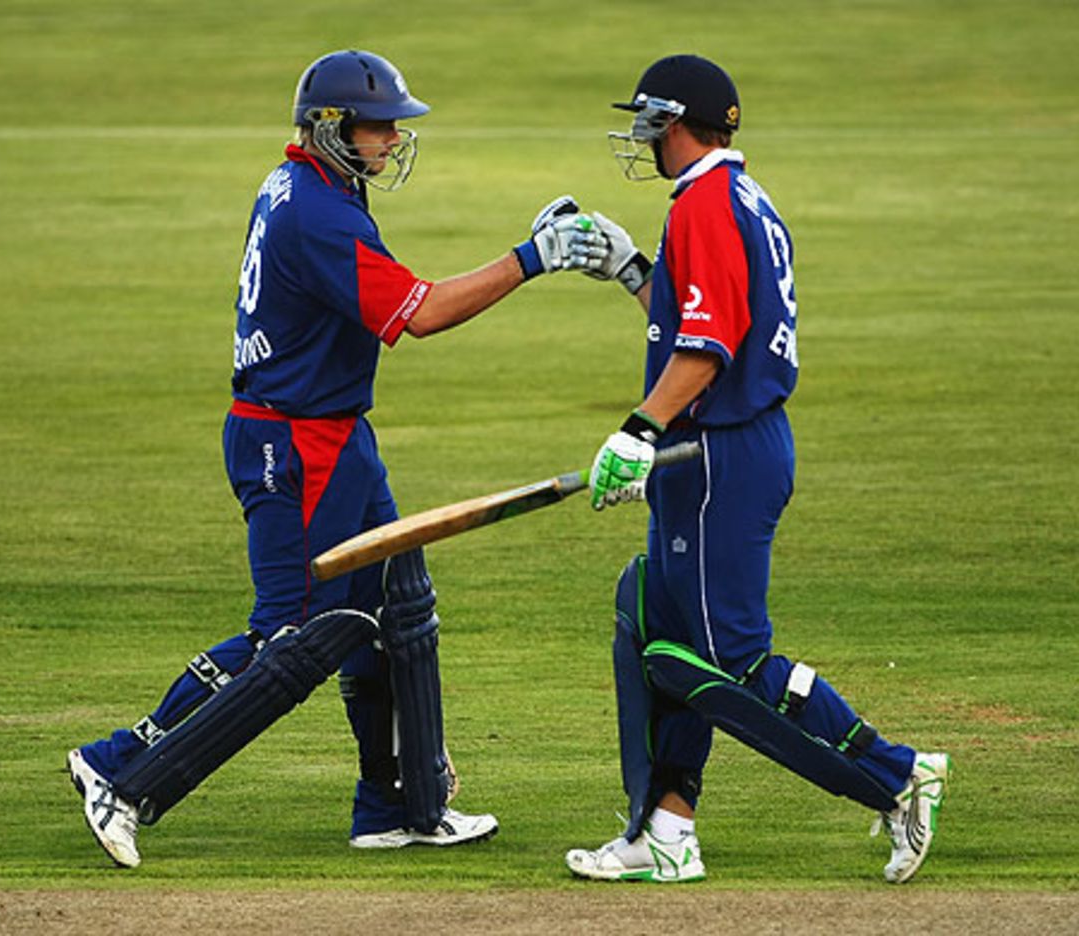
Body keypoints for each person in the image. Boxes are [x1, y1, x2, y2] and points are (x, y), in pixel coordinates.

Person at [66, 48, 606, 868]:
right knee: (288, 638)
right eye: (378, 125)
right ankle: (121, 769)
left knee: (392, 611)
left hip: (333, 432)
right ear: (329, 128)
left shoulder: (308, 183)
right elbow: (417, 314)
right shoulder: (316, 213)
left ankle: (396, 808)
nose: (392, 139)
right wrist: (532, 258)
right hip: (296, 443)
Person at [561, 54, 951, 884]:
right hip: (717, 449)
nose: (639, 137)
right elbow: (697, 316)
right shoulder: (737, 195)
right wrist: (635, 273)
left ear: (676, 122)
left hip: (716, 456)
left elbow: (708, 346)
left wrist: (638, 429)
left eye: (648, 121)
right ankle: (664, 830)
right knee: (645, 611)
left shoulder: (706, 202)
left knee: (722, 661)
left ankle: (898, 775)